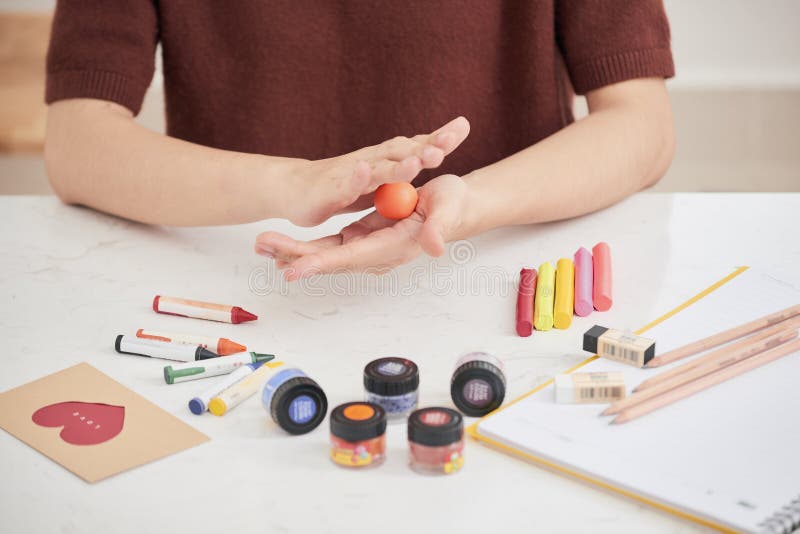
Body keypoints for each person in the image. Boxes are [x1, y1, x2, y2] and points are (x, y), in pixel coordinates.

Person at [45, 1, 675, 280]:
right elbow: (77, 145)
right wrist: (289, 184)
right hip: (240, 277)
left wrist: (472, 204)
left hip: (511, 273)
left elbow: (641, 125)